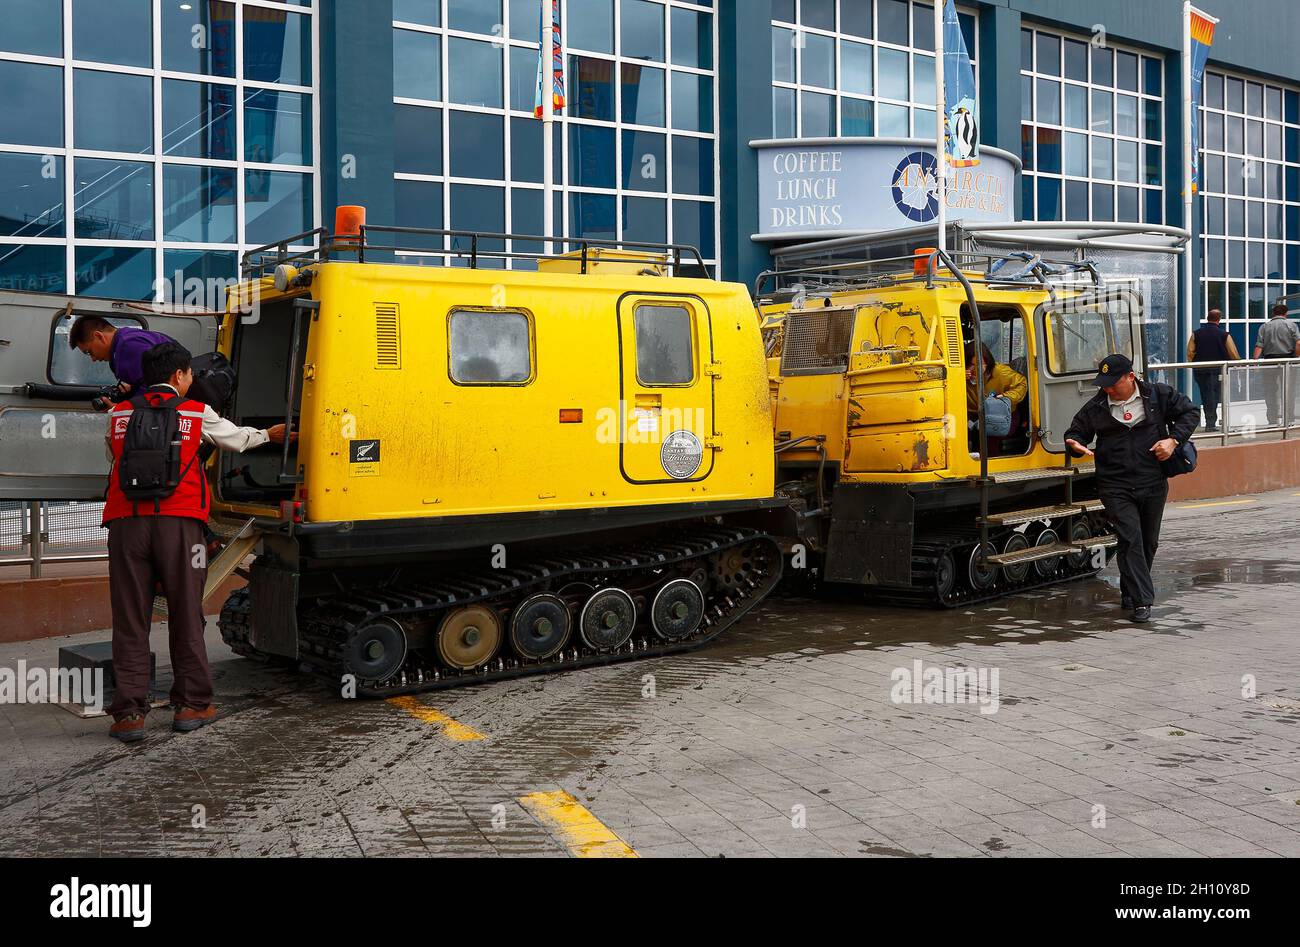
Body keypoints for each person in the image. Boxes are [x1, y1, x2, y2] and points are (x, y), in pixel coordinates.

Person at [103, 341, 290, 744]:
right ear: (178, 377)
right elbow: (237, 439)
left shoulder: (118, 414)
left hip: (125, 525)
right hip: (179, 526)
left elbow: (114, 457)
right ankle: (191, 705)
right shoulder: (195, 412)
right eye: (189, 374)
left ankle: (129, 714)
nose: (190, 379)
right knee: (186, 613)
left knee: (130, 619)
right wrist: (269, 434)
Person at [1064, 354, 1199, 623]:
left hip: (1153, 481)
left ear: (1130, 376)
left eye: (1114, 383)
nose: (1108, 389)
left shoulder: (1158, 395)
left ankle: (1130, 591)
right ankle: (1142, 602)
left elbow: (1190, 412)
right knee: (1130, 539)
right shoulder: (1097, 406)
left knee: (1148, 541)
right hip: (1115, 484)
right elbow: (1076, 431)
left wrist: (1172, 440)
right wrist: (1075, 444)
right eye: (1104, 384)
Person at [69, 315, 175, 408]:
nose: (93, 359)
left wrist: (123, 409)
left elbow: (153, 390)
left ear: (99, 336)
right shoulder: (126, 340)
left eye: (89, 352)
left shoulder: (128, 346)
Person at [965, 342, 1027, 454]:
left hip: (1002, 415)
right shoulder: (959, 374)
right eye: (971, 365)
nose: (975, 369)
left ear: (987, 363)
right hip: (973, 415)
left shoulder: (1000, 372)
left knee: (990, 439)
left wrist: (1005, 398)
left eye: (980, 365)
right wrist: (958, 378)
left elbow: (1021, 384)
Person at [1186, 308, 1240, 432]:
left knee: (1205, 394)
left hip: (1200, 370)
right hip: (1217, 370)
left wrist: (1195, 363)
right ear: (1219, 319)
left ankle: (1210, 421)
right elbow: (1233, 353)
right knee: (1214, 395)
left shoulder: (1196, 333)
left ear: (1207, 318)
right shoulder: (1224, 335)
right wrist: (1237, 363)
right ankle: (1211, 423)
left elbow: (1190, 353)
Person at [1251, 303, 1300, 427]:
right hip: (1288, 361)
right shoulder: (1291, 325)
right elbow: (1298, 343)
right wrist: (1297, 357)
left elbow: (1259, 346)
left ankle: (1272, 419)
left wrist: (1255, 362)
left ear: (1273, 313)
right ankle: (1289, 419)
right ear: (1285, 313)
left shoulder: (1265, 326)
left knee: (1270, 391)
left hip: (1270, 362)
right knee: (1289, 391)